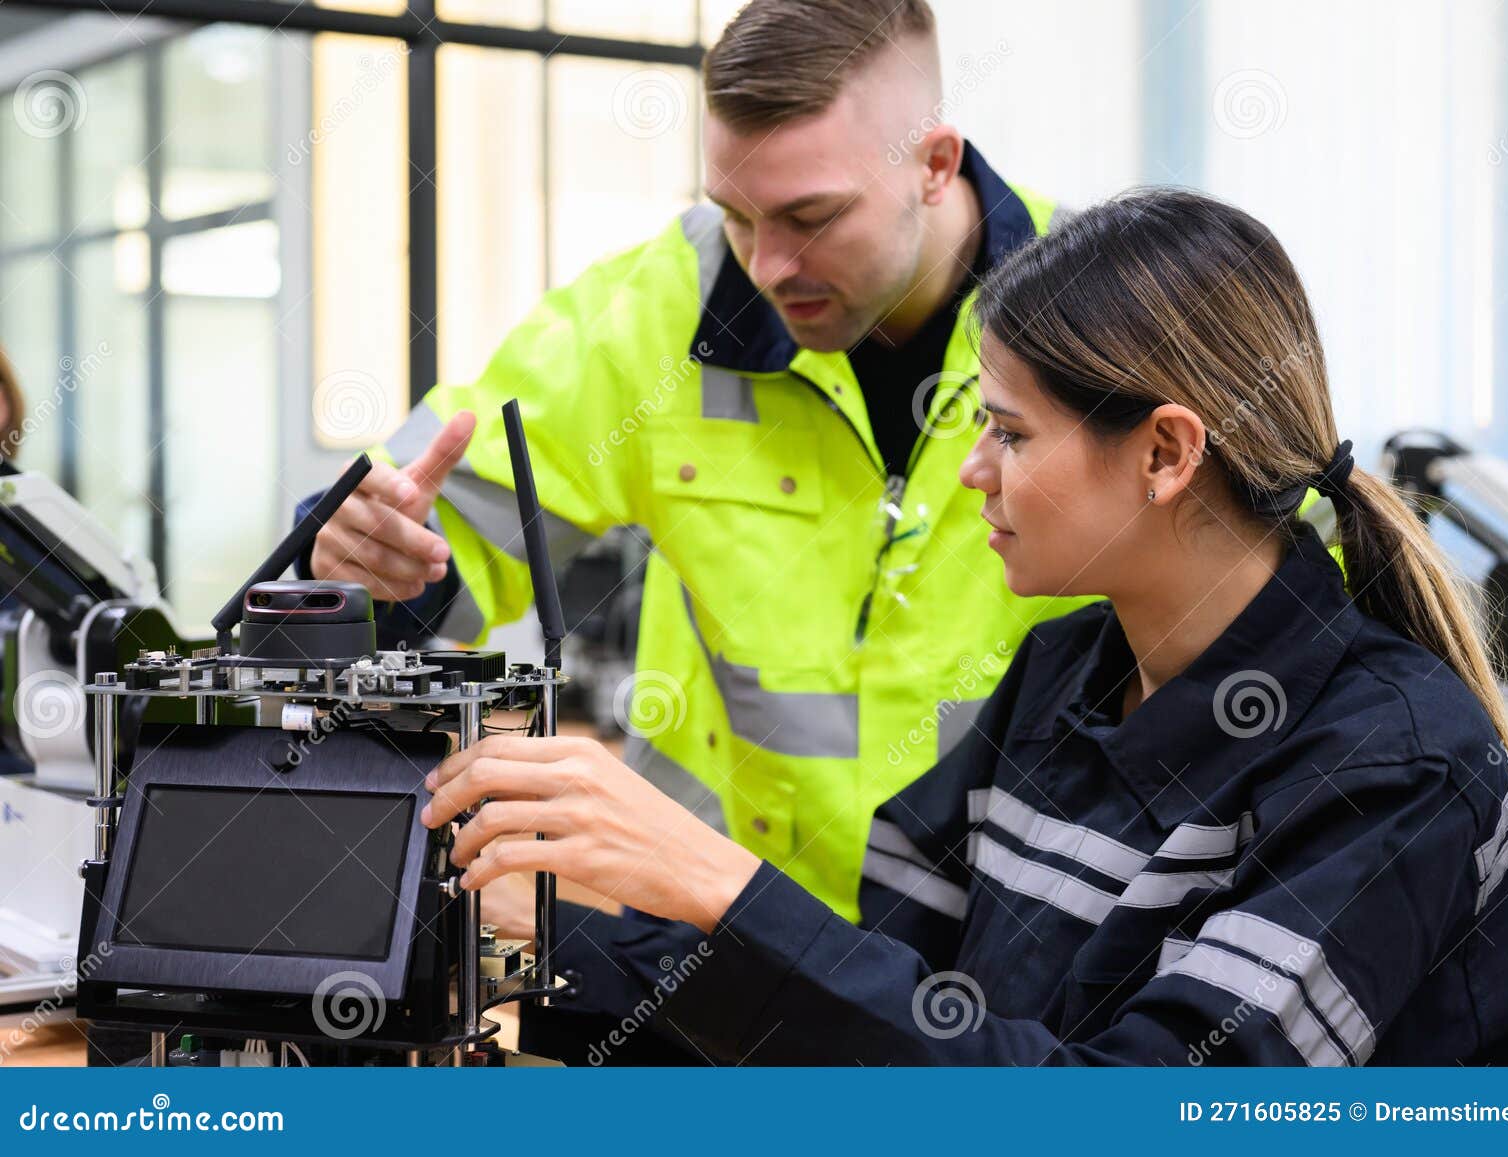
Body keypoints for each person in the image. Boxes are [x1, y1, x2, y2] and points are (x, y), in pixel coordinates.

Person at [423, 188, 1508, 1065]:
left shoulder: (1396, 768)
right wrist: (535, 947)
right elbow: (877, 1025)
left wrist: (723, 886)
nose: (972, 471)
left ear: (1166, 453)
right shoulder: (1065, 670)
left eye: (1010, 434)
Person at [299, 0, 1327, 920]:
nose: (766, 264)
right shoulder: (655, 306)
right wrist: (369, 556)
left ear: (933, 163)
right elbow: (440, 529)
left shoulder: (1100, 316)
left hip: (1007, 958)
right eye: (736, 214)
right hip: (701, 951)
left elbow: (1262, 605)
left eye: (810, 216)